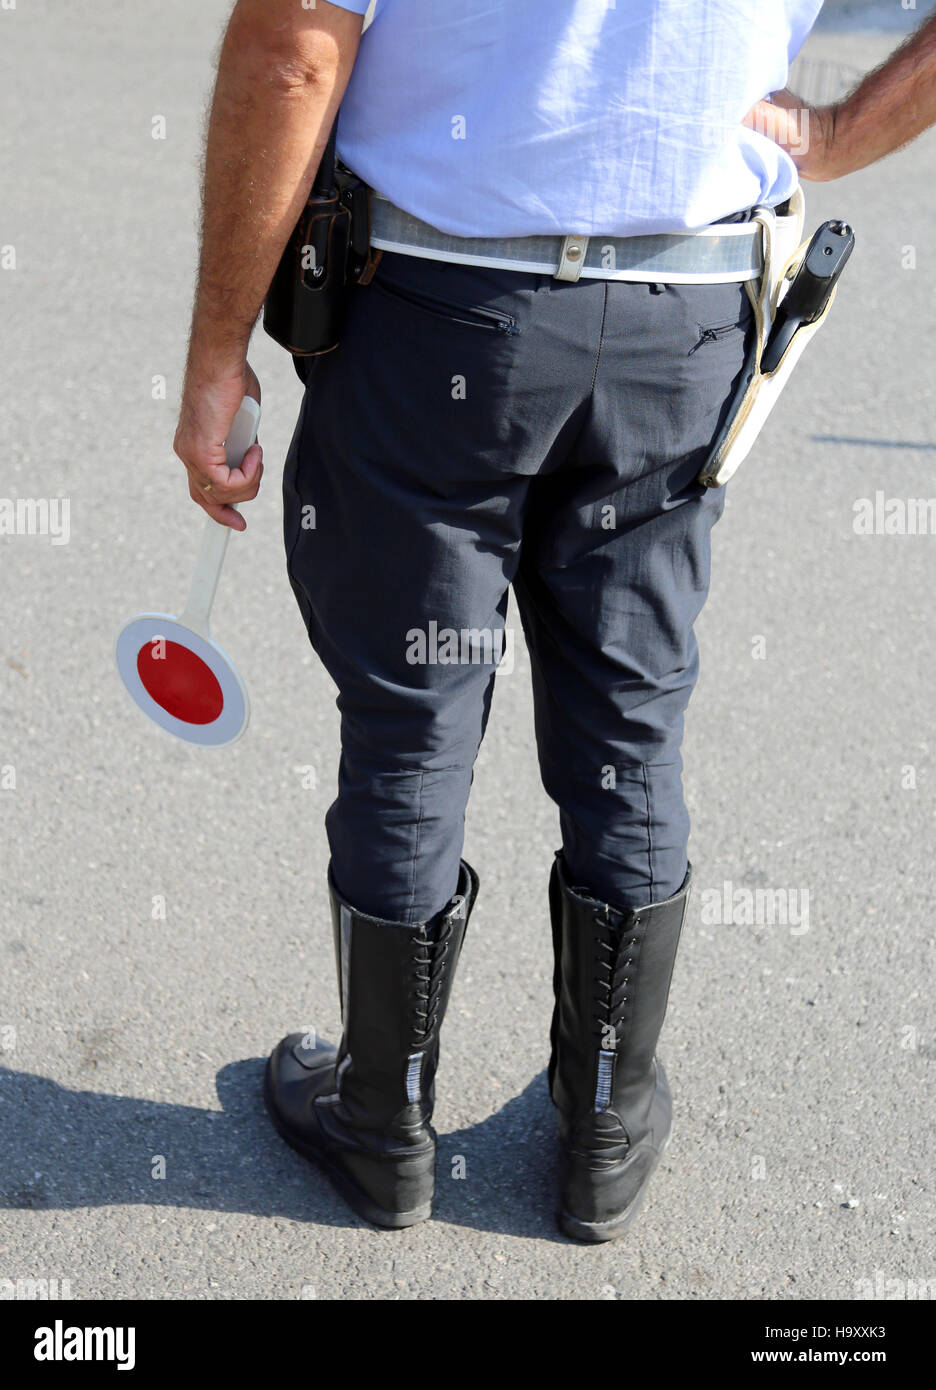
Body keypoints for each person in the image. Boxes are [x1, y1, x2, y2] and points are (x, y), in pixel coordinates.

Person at [173, 0, 936, 1241]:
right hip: (680, 314)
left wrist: (217, 351)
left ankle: (382, 1125)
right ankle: (602, 1136)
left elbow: (294, 48)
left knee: (414, 726)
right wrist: (843, 129)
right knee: (630, 726)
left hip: (435, 314)